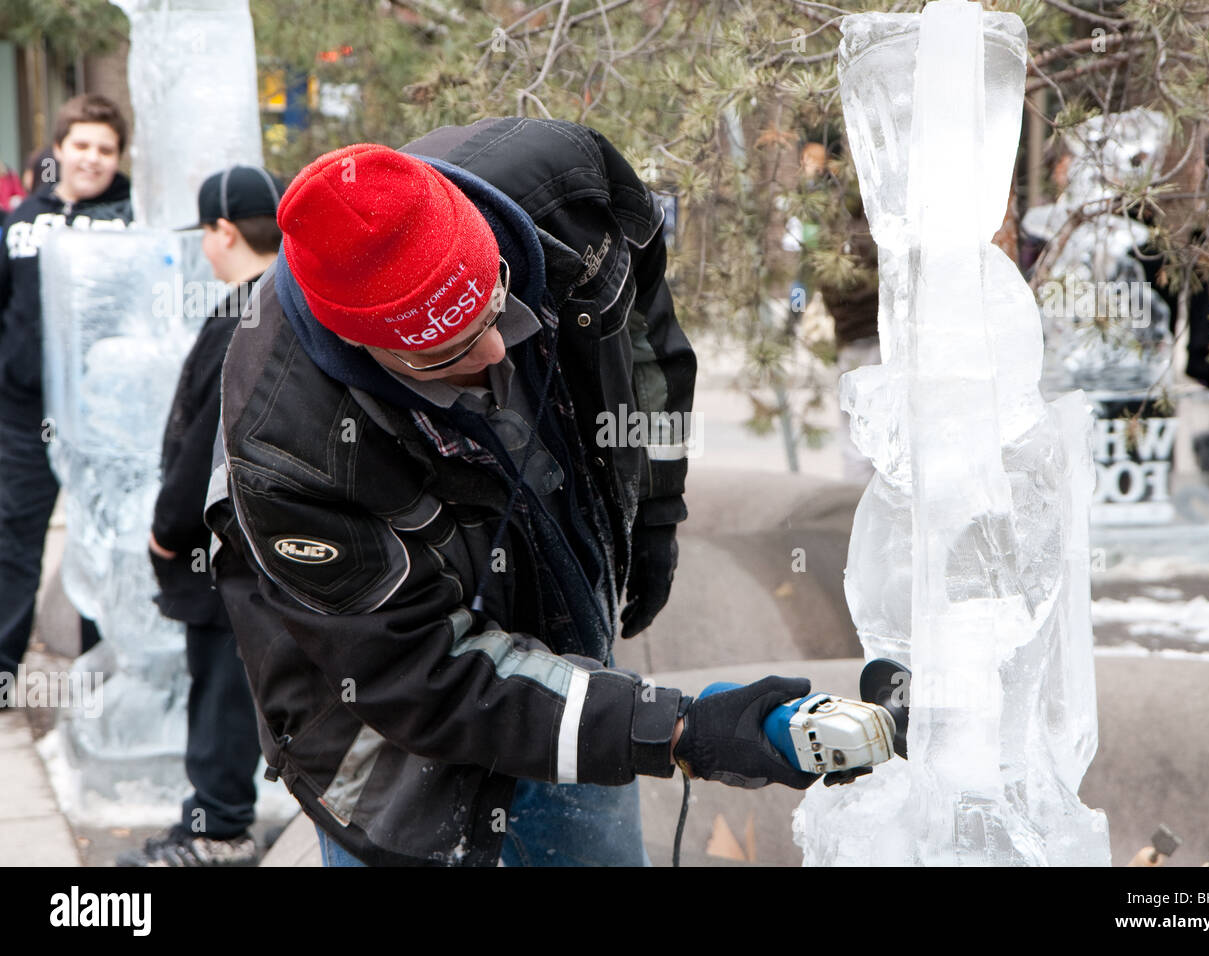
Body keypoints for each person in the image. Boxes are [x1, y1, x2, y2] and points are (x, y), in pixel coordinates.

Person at [205, 119, 821, 867]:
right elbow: (417, 674)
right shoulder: (287, 446)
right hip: (389, 723)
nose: (500, 349)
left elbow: (648, 341)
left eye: (496, 302)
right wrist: (676, 730)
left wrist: (656, 510)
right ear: (369, 349)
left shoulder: (569, 187)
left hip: (569, 666)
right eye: (450, 352)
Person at [118, 167, 285, 866]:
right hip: (267, 544)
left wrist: (166, 530)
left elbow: (203, 447)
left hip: (224, 550)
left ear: (223, 231)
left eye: (206, 237)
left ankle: (217, 829)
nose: (204, 252)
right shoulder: (289, 301)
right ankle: (219, 817)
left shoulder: (244, 314)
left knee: (219, 689)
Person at [0, 94, 130, 686]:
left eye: (105, 149)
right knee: (13, 541)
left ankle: (103, 673)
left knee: (106, 541)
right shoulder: (21, 222)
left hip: (104, 421)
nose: (92, 159)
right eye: (81, 145)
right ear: (58, 150)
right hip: (24, 417)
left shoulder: (132, 221)